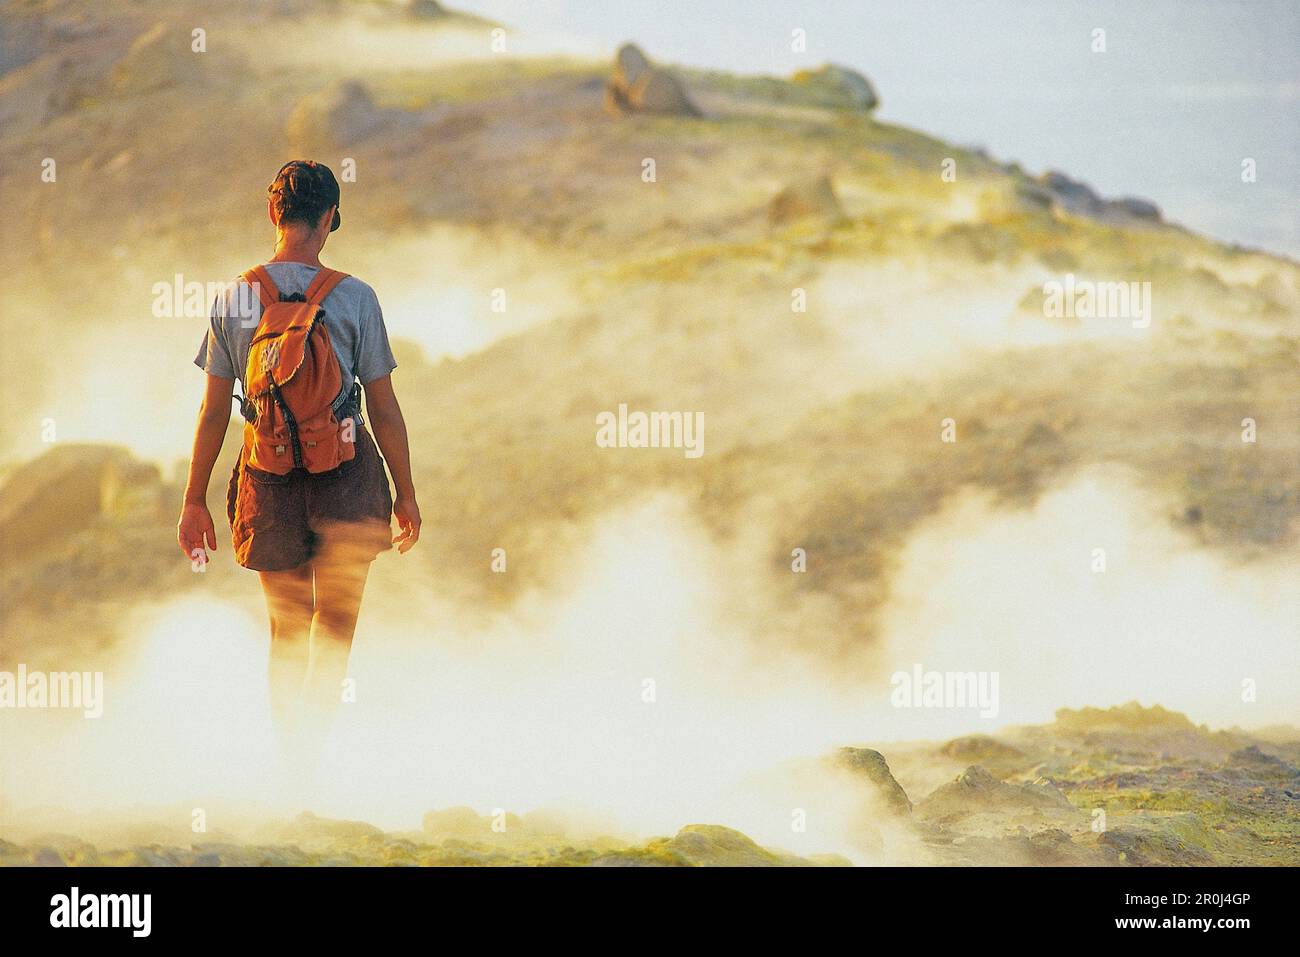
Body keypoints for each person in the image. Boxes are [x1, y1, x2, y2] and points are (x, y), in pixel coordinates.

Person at [177, 160, 420, 769]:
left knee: (287, 629)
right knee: (334, 631)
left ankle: (289, 770)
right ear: (330, 219)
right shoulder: (356, 297)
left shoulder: (235, 297)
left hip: (268, 479)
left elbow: (212, 414)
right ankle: (314, 762)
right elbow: (384, 409)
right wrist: (406, 494)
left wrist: (193, 500)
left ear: (272, 214)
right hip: (346, 478)